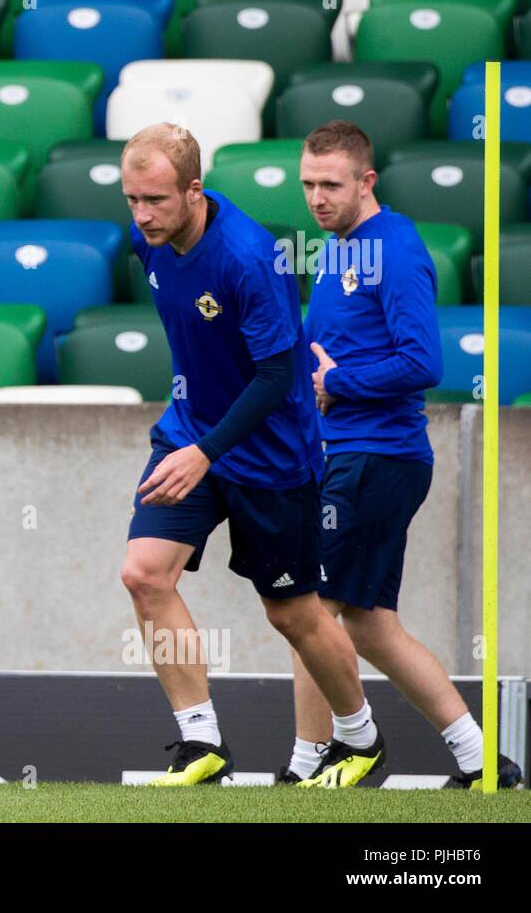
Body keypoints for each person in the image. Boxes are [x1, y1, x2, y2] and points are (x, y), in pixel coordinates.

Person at [118, 122, 385, 787]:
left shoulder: (248, 258)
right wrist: (196, 441)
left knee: (292, 612)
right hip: (190, 434)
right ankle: (201, 743)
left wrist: (207, 453)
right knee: (145, 574)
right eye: (132, 201)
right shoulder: (146, 239)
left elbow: (273, 377)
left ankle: (361, 737)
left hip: (270, 456)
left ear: (195, 190)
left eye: (155, 200)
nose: (142, 216)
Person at [287, 119, 522, 789]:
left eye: (330, 184)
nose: (316, 198)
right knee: (369, 623)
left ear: (368, 181)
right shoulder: (335, 250)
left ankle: (313, 763)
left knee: (308, 609)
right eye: (308, 184)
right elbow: (321, 351)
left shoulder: (396, 248)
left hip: (376, 454)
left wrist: (338, 383)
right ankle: (484, 764)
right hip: (356, 454)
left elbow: (424, 360)